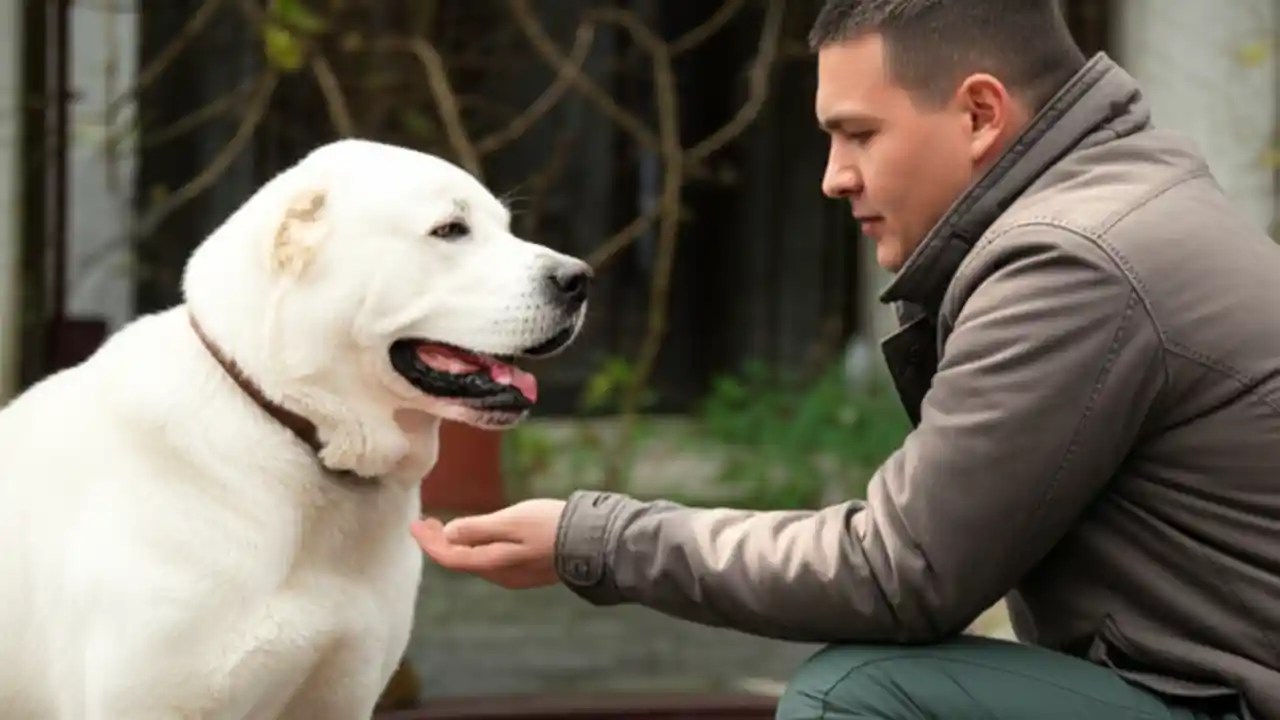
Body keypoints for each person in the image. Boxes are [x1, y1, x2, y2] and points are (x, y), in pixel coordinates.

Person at [413, 1, 1280, 718]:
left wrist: (596, 538)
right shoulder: (1129, 197)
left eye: (859, 134)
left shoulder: (1074, 260)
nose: (834, 176)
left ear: (980, 114)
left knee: (860, 695)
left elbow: (897, 573)